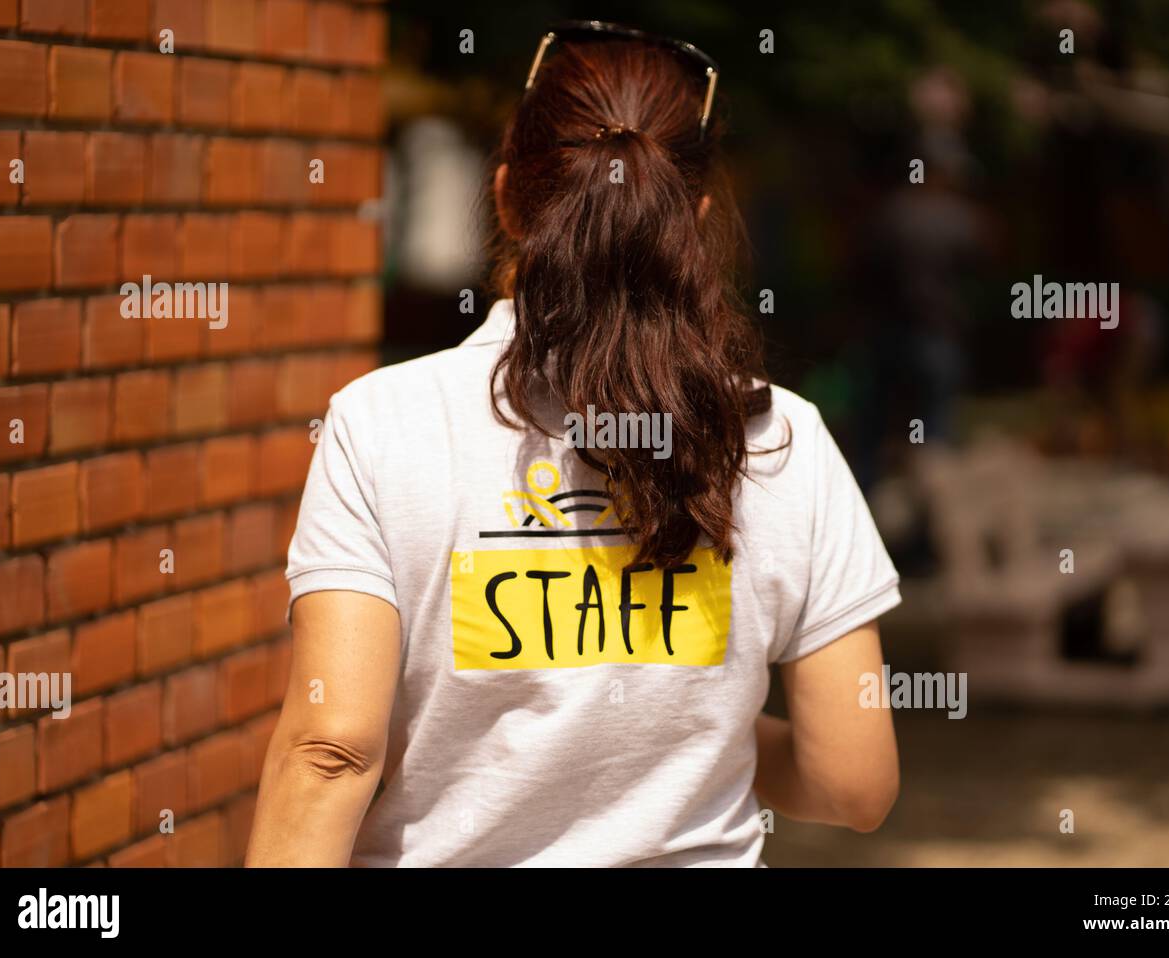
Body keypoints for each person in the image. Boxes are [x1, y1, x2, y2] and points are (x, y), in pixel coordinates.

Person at [246, 21, 902, 868]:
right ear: (690, 220)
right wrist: (717, 734)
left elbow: (330, 749)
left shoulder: (382, 423)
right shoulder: (779, 437)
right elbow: (854, 783)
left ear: (510, 195)